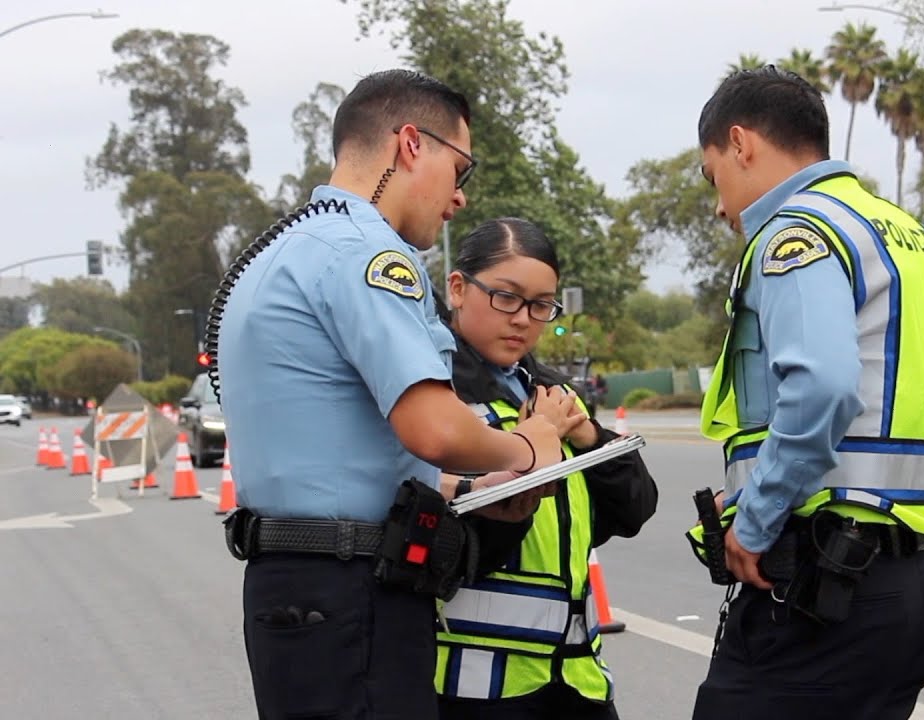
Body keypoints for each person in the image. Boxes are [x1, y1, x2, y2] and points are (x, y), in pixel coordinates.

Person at [214, 69, 568, 720]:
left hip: (293, 590)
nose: (460, 199)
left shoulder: (283, 251)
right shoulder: (367, 252)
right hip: (354, 596)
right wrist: (528, 445)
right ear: (411, 145)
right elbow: (434, 429)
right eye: (459, 170)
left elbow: (334, 448)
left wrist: (470, 493)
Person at [687, 66, 924, 720]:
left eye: (713, 177)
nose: (719, 205)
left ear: (741, 143)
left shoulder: (796, 234)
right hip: (902, 589)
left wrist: (756, 520)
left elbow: (821, 388)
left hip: (817, 592)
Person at [429, 218, 658, 720]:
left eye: (540, 305)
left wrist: (588, 436)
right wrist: (534, 449)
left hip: (577, 680)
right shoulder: (432, 396)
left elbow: (634, 509)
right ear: (458, 288)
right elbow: (457, 549)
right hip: (475, 689)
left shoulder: (551, 392)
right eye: (506, 297)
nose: (523, 320)